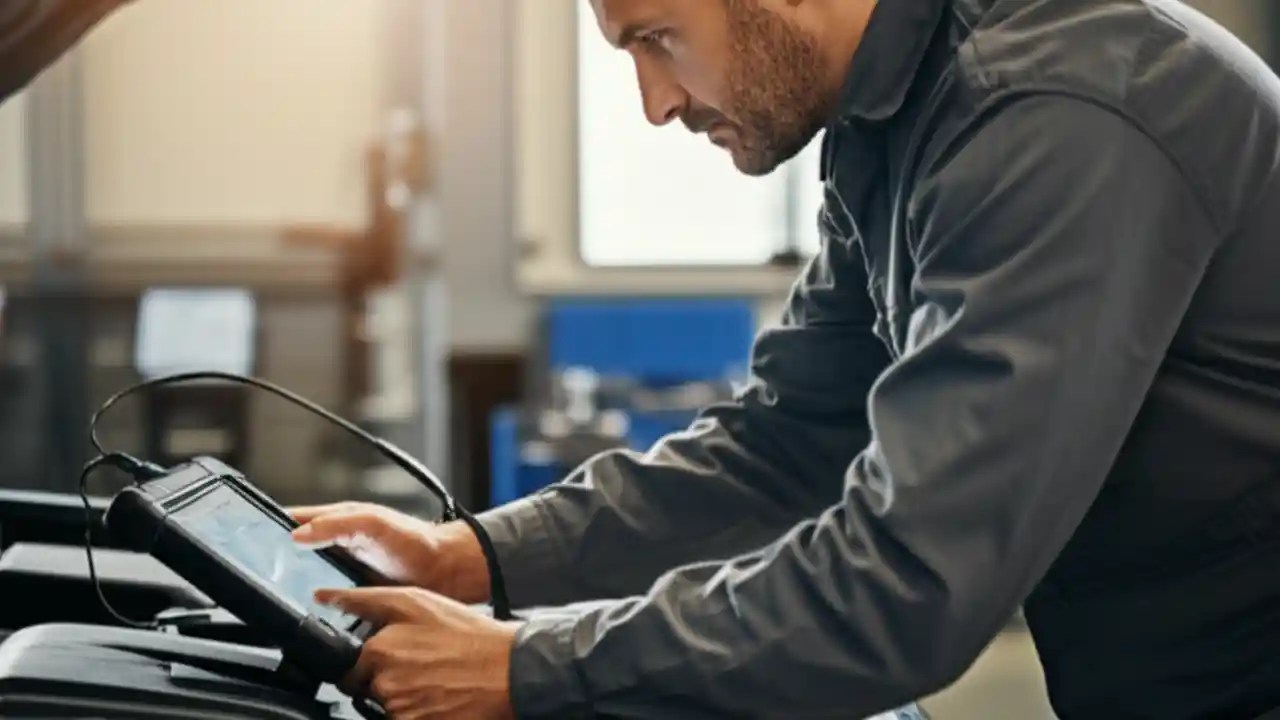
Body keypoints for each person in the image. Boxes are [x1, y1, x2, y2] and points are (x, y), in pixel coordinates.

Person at [5, 0, 1280, 718]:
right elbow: (784, 439)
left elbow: (906, 587)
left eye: (650, 36)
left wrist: (523, 666)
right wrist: (480, 557)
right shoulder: (895, 120)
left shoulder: (1052, 117)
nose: (654, 104)